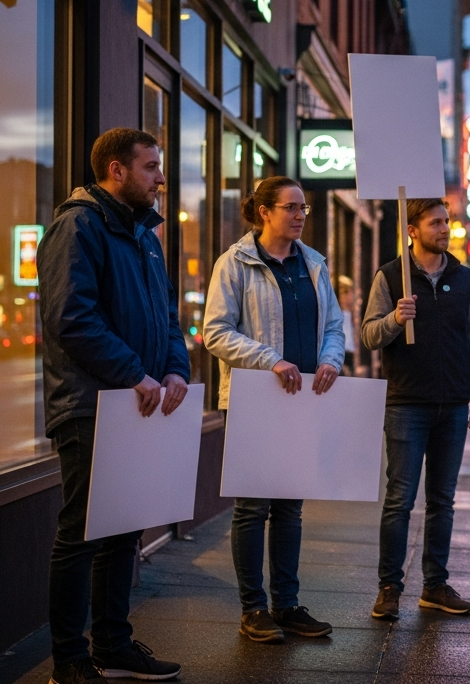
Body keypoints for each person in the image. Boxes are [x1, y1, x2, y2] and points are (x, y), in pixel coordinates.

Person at [37, 128, 189, 684]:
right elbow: (70, 319)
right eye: (150, 167)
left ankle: (113, 644)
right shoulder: (78, 225)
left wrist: (175, 369)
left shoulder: (146, 236)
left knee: (125, 530)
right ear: (117, 171)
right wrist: (135, 373)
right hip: (88, 405)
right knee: (80, 534)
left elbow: (168, 318)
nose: (160, 178)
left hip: (138, 405)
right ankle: (70, 660)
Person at [204, 176, 344, 645]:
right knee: (251, 508)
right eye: (291, 207)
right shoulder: (236, 263)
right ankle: (253, 609)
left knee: (290, 508)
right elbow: (215, 333)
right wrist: (271, 360)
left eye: (304, 207)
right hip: (255, 401)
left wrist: (330, 360)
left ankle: (286, 605)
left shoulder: (315, 265)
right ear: (264, 212)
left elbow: (335, 326)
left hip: (304, 401)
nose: (301, 214)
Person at [361, 198, 470, 620]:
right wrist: (396, 319)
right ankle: (389, 588)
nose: (445, 229)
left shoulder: (463, 278)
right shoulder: (390, 276)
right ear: (412, 229)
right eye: (436, 222)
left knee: (442, 501)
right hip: (406, 405)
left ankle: (435, 585)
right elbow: (368, 336)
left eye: (447, 222)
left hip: (453, 405)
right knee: (399, 499)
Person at [337, 275, 357, 374]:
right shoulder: (335, 315)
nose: (348, 296)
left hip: (351, 355)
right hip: (341, 354)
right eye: (344, 292)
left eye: (349, 291)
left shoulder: (353, 315)